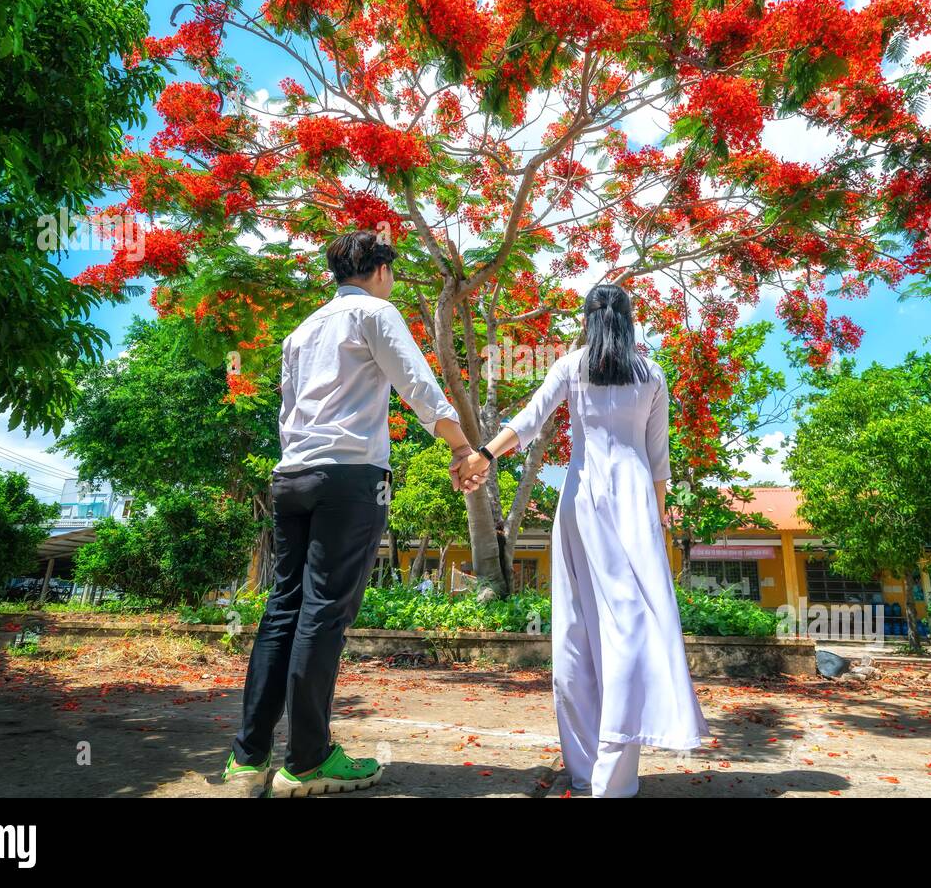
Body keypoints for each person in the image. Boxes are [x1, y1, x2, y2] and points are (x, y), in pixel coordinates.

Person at [223, 230, 475, 798]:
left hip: (292, 476)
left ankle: (247, 759)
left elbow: (289, 411)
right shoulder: (375, 313)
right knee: (323, 614)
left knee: (281, 609)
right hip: (351, 477)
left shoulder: (300, 331)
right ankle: (308, 760)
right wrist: (461, 448)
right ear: (380, 270)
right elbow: (417, 385)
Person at [456, 284, 709, 798]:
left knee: (575, 633)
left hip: (584, 499)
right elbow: (657, 460)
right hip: (636, 503)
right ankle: (614, 775)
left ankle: (586, 768)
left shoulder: (572, 365)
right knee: (633, 629)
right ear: (630, 320)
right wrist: (660, 517)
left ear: (588, 320)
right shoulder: (653, 371)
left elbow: (528, 423)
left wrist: (483, 453)